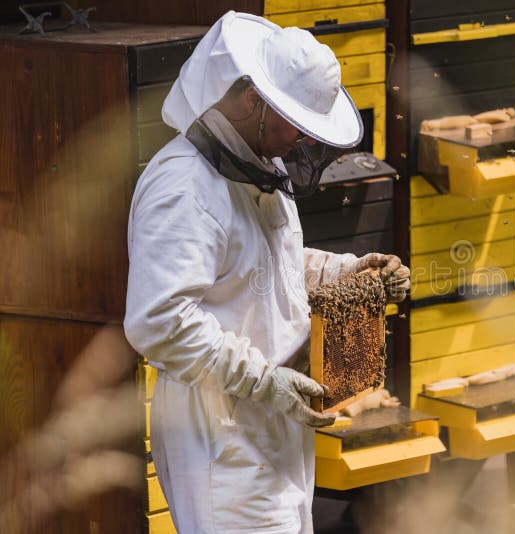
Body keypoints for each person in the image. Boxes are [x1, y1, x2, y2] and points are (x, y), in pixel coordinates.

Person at [123, 12, 410, 533]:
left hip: (274, 420)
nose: (301, 140)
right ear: (254, 98)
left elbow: (269, 265)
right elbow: (158, 321)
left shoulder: (259, 163)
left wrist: (347, 272)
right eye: (294, 122)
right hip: (222, 436)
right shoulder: (184, 189)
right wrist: (262, 379)